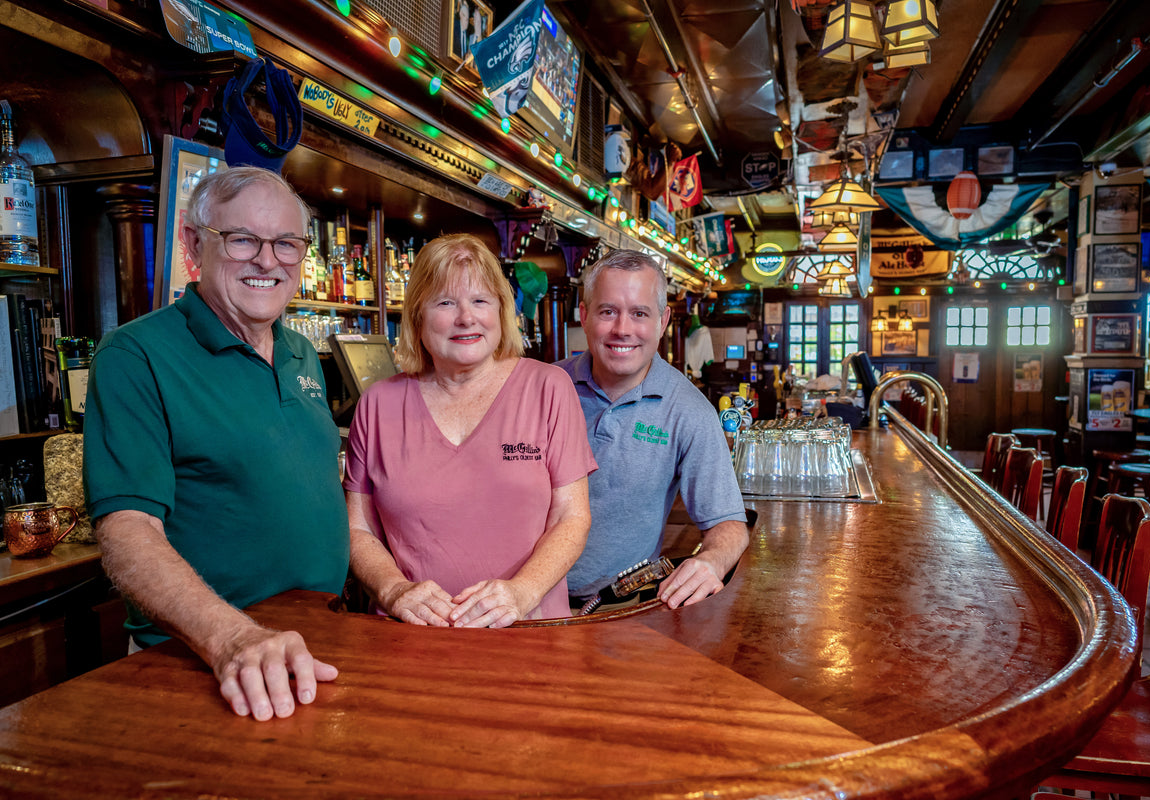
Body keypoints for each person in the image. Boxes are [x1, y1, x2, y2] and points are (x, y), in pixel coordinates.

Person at [83, 166, 350, 722]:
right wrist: (231, 638)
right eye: (243, 239)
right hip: (202, 660)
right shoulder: (135, 354)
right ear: (192, 243)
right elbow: (127, 529)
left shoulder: (302, 353)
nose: (268, 261)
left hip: (317, 641)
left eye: (286, 243)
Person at [343, 233, 594, 627]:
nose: (466, 317)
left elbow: (571, 516)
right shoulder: (377, 404)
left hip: (530, 630)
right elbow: (357, 527)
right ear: (418, 316)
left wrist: (522, 592)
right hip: (411, 636)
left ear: (501, 310)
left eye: (480, 301)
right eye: (445, 302)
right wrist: (393, 590)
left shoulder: (548, 388)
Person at [558, 250, 749, 609]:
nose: (622, 329)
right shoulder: (544, 386)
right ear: (584, 316)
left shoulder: (689, 410)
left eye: (639, 314)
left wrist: (711, 561)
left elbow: (728, 523)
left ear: (663, 321)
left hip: (614, 608)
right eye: (608, 311)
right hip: (519, 600)